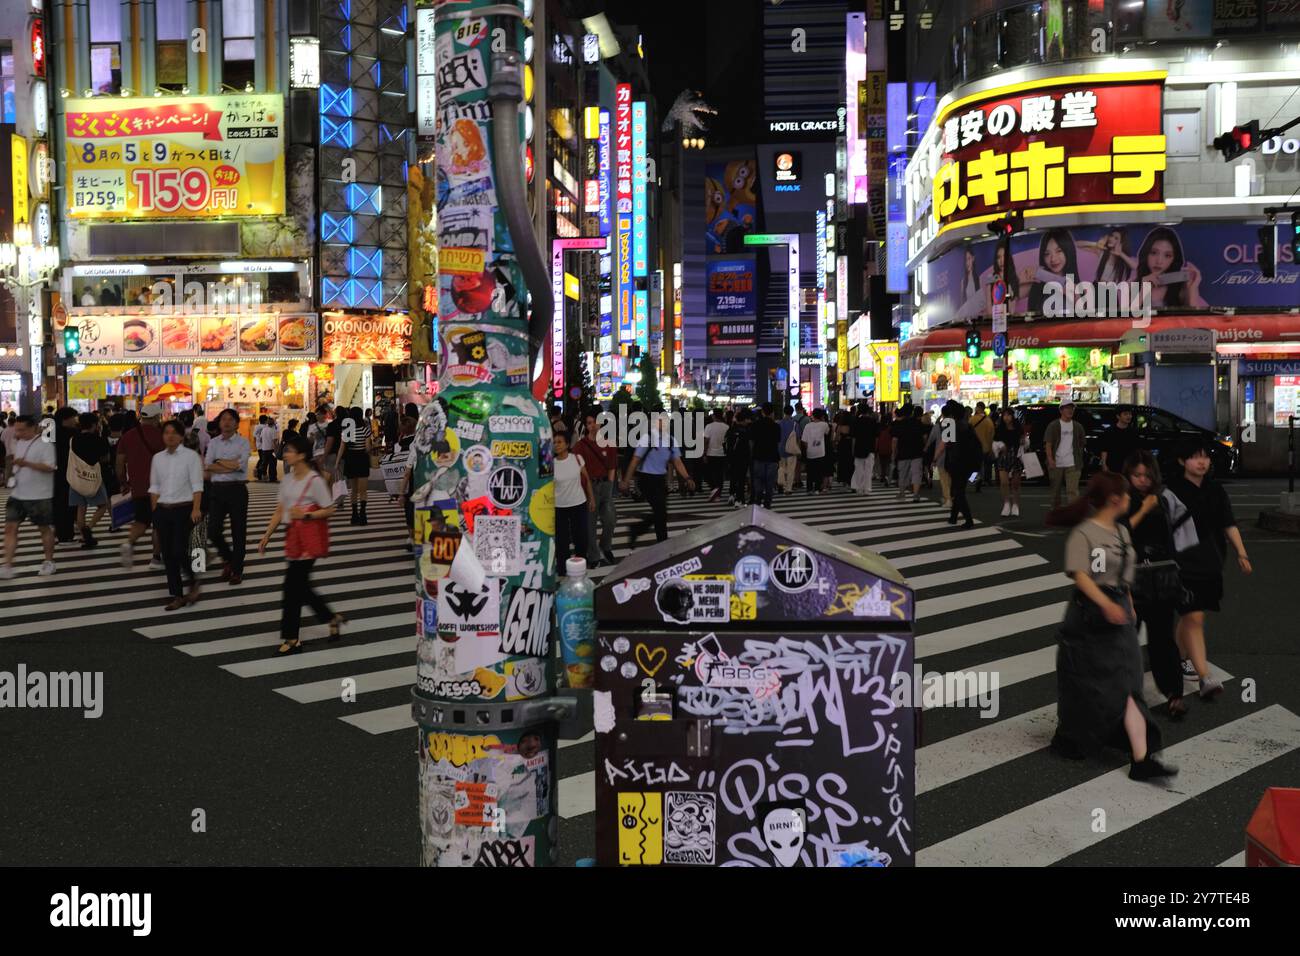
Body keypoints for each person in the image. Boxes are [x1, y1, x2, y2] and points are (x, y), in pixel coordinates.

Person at [1049, 471, 1175, 781]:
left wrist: (1127, 601)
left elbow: (1124, 576)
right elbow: (1079, 575)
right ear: (1114, 499)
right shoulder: (1084, 533)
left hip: (1120, 618)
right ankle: (1074, 738)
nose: (1130, 500)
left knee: (1130, 686)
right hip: (1088, 619)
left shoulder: (1121, 531)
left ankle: (1141, 758)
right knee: (1086, 684)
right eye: (1127, 495)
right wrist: (1105, 604)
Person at [1165, 440, 1251, 699]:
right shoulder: (1171, 492)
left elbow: (1228, 523)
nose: (1201, 462)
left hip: (1212, 560)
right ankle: (1205, 676)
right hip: (1182, 562)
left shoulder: (1216, 490)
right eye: (1194, 457)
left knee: (1192, 615)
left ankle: (1180, 657)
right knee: (1194, 617)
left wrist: (1241, 552)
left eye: (1205, 457)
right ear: (1182, 461)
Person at [258, 435, 345, 655]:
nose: (285, 454)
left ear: (302, 455)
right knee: (302, 588)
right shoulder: (287, 479)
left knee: (291, 588)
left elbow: (329, 508)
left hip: (308, 537)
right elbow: (280, 510)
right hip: (293, 538)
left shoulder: (314, 481)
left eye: (289, 451)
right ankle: (331, 617)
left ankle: (291, 638)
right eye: (285, 450)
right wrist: (267, 535)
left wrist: (307, 516)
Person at [1122, 451, 1186, 719]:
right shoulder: (1122, 499)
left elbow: (1180, 532)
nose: (1142, 480)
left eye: (1147, 475)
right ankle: (1124, 696)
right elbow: (1120, 532)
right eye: (1137, 475)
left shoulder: (1164, 497)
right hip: (1132, 578)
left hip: (1161, 575)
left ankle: (1174, 694)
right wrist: (1145, 509)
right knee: (1125, 640)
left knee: (1163, 639)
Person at [149, 420, 204, 611]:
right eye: (166, 432)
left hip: (184, 509)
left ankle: (193, 579)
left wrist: (196, 509)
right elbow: (154, 486)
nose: (170, 436)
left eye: (174, 432)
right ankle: (177, 595)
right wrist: (155, 511)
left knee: (178, 550)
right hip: (163, 510)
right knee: (167, 554)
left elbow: (197, 485)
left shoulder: (191, 457)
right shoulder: (157, 458)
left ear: (181, 436)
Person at [621, 417, 695, 546]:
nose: (662, 423)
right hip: (646, 479)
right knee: (661, 513)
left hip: (660, 480)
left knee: (660, 513)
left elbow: (677, 462)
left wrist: (687, 478)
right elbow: (635, 460)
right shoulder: (647, 438)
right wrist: (626, 481)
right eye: (660, 420)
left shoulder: (671, 440)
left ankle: (638, 530)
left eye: (665, 421)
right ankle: (661, 543)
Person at [0, 415, 58, 578]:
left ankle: (48, 562)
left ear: (33, 428)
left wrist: (27, 464)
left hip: (40, 495)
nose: (17, 432)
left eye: (21, 430)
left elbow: (50, 467)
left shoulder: (45, 444)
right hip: (17, 494)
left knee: (44, 528)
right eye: (16, 429)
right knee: (10, 528)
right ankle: (7, 565)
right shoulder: (16, 442)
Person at [204, 408, 251, 586]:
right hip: (217, 490)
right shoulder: (213, 442)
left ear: (237, 423)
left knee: (238, 532)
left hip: (237, 490)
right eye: (224, 419)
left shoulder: (243, 442)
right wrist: (227, 465)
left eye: (231, 419)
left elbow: (240, 466)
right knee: (213, 530)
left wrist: (218, 464)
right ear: (219, 422)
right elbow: (207, 466)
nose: (227, 422)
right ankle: (229, 559)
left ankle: (237, 571)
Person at [117, 410, 165, 570]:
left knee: (141, 520)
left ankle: (129, 542)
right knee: (158, 523)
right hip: (160, 486)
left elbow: (119, 463)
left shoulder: (127, 436)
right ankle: (156, 558)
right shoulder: (161, 435)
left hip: (138, 486)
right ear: (157, 417)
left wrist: (123, 482)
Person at [575, 411, 619, 566]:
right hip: (588, 486)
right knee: (590, 523)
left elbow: (612, 467)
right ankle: (593, 555)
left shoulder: (610, 443)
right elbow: (581, 470)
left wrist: (610, 485)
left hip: (605, 484)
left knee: (610, 519)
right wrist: (587, 490)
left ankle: (605, 546)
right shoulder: (580, 446)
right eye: (589, 423)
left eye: (595, 422)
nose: (592, 426)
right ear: (586, 426)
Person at [553, 430, 595, 566]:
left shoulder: (577, 459)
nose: (556, 445)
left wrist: (592, 498)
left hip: (579, 503)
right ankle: (563, 568)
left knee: (581, 537)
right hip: (559, 506)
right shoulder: (551, 464)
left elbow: (587, 479)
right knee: (561, 540)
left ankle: (580, 563)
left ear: (567, 444)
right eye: (554, 442)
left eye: (559, 442)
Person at [69, 412, 111, 549]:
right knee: (103, 505)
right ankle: (89, 527)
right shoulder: (99, 439)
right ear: (94, 424)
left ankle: (84, 536)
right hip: (93, 477)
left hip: (77, 477)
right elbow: (106, 459)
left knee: (81, 509)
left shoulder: (73, 439)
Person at [1137, 227, 1206, 309]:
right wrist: (1142, 292)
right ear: (1146, 253)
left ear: (1174, 259)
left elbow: (1195, 319)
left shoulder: (1181, 288)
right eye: (1154, 253)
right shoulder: (1131, 285)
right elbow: (1126, 319)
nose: (1159, 261)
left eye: (1167, 255)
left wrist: (1193, 288)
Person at [937, 402, 977, 529]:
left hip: (956, 462)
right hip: (968, 462)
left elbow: (943, 444)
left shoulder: (950, 425)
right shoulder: (967, 425)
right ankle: (953, 517)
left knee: (957, 491)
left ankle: (969, 519)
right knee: (958, 489)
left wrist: (934, 458)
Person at [1026, 229, 1079, 315]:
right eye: (1047, 254)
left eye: (1059, 251)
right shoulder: (1037, 285)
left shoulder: (1077, 287)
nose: (1053, 259)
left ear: (1068, 251)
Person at [1045, 401, 1085, 510]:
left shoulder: (1077, 426)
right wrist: (1050, 459)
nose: (1070, 410)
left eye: (1072, 408)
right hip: (1056, 463)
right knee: (1055, 491)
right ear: (1061, 410)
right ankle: (1055, 512)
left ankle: (1074, 514)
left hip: (1073, 463)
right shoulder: (1053, 425)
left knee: (1073, 491)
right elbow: (1048, 444)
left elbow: (1082, 443)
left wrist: (1079, 456)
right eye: (1067, 408)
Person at [993, 407, 1027, 518]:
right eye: (1004, 415)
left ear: (1013, 416)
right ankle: (1006, 504)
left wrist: (1024, 441)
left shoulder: (1018, 428)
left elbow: (1024, 441)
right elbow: (994, 442)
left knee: (1016, 483)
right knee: (1004, 482)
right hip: (1003, 456)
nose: (1006, 417)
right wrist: (999, 446)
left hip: (1017, 456)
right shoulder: (999, 429)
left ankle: (1015, 505)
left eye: (1009, 415)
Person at [52, 407, 79, 544]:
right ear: (66, 419)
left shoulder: (50, 432)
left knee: (58, 503)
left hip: (54, 473)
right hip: (70, 473)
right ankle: (66, 534)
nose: (75, 420)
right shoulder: (74, 433)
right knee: (68, 504)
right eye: (73, 418)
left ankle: (60, 532)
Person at [343, 406, 374, 524]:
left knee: (354, 490)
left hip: (351, 459)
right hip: (362, 459)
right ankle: (363, 514)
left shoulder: (348, 430)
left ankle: (354, 515)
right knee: (363, 491)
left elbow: (344, 446)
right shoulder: (365, 429)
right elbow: (367, 448)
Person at [749, 403, 781, 509]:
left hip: (758, 456)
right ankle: (767, 504)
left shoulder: (755, 425)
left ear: (762, 412)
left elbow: (752, 441)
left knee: (758, 479)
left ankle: (758, 500)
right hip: (772, 457)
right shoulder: (776, 426)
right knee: (770, 482)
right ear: (772, 413)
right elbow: (778, 442)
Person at [891, 404, 926, 503]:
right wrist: (924, 448)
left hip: (903, 452)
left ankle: (902, 493)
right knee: (917, 473)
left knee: (902, 473)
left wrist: (893, 453)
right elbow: (924, 438)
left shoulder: (899, 424)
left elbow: (894, 440)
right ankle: (915, 495)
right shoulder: (918, 423)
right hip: (917, 452)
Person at [394, 415, 418, 551]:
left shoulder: (406, 445)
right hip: (426, 483)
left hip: (412, 484)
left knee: (410, 511)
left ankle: (412, 538)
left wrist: (401, 493)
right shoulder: (423, 442)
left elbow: (407, 473)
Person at [926, 406, 952, 509]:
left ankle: (948, 499)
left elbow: (935, 441)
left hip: (942, 456)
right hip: (953, 456)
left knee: (944, 479)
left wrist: (934, 457)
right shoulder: (955, 425)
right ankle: (949, 497)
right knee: (950, 479)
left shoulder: (939, 426)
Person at [1100, 406, 1140, 473]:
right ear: (1118, 416)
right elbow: (1104, 449)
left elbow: (1136, 451)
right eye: (1125, 414)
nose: (1129, 416)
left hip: (1128, 466)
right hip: (1113, 465)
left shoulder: (1133, 432)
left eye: (1130, 414)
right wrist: (1104, 464)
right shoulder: (1109, 431)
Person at [801, 408, 832, 494]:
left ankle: (809, 489)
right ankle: (818, 488)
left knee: (810, 472)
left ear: (813, 415)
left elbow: (804, 441)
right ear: (822, 416)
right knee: (819, 471)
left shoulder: (808, 426)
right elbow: (827, 432)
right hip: (820, 452)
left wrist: (808, 448)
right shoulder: (824, 425)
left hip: (810, 452)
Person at [725, 409, 752, 505]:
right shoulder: (746, 431)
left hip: (732, 457)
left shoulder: (731, 429)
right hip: (743, 457)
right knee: (741, 478)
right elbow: (749, 445)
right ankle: (740, 499)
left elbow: (726, 443)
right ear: (744, 420)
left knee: (733, 477)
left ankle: (731, 495)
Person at [850, 404, 877, 495]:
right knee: (868, 470)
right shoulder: (873, 421)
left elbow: (854, 437)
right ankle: (867, 489)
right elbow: (876, 437)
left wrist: (853, 449)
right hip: (870, 448)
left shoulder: (856, 421)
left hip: (859, 447)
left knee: (859, 469)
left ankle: (859, 488)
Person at [702, 408, 729, 502]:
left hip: (711, 453)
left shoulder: (709, 426)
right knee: (720, 473)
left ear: (714, 416)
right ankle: (718, 492)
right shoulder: (726, 427)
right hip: (722, 453)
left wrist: (704, 453)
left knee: (711, 473)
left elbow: (706, 441)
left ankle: (714, 489)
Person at [969, 401, 994, 492]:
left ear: (978, 408)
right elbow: (991, 436)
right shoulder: (989, 421)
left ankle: (974, 479)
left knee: (973, 465)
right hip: (985, 447)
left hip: (973, 447)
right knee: (981, 464)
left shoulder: (972, 419)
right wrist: (990, 448)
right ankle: (980, 478)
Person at [777, 405, 798, 495]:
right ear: (792, 412)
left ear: (784, 412)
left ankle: (781, 483)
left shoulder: (778, 423)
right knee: (791, 469)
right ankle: (788, 488)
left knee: (781, 467)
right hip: (792, 450)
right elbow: (798, 438)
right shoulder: (795, 424)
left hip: (780, 449)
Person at [256, 414, 280, 482]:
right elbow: (275, 442)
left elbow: (260, 439)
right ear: (274, 424)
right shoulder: (274, 431)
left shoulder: (264, 430)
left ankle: (262, 475)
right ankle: (272, 478)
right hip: (271, 450)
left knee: (264, 463)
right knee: (272, 464)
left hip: (264, 449)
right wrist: (276, 451)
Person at [834, 409, 855, 486]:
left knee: (842, 462)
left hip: (842, 444)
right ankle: (850, 479)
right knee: (850, 463)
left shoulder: (840, 426)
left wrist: (836, 444)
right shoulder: (852, 426)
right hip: (849, 444)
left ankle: (843, 480)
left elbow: (837, 437)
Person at [874, 412, 894, 487]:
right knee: (888, 463)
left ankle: (883, 475)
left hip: (880, 447)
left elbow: (877, 439)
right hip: (888, 447)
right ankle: (887, 477)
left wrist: (876, 448)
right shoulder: (890, 428)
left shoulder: (879, 428)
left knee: (882, 463)